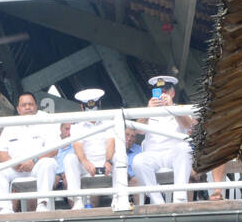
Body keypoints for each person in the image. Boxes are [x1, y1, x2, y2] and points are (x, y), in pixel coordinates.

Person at [131, 75, 194, 204]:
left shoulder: (180, 108)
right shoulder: (149, 110)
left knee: (184, 148)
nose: (163, 94)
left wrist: (172, 108)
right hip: (154, 155)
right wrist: (148, 111)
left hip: (174, 154)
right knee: (138, 160)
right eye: (160, 91)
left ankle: (179, 197)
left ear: (172, 92)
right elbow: (138, 130)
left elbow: (188, 125)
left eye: (166, 91)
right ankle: (157, 201)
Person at [0, 92, 57, 213]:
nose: (27, 107)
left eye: (30, 104)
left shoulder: (46, 123)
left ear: (36, 107)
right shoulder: (11, 125)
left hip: (37, 167)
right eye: (24, 105)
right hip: (16, 169)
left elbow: (53, 150)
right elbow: (1, 152)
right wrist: (13, 163)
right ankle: (5, 208)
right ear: (18, 109)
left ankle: (43, 204)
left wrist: (34, 161)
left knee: (48, 163)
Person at [63, 88, 125, 210]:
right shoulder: (77, 127)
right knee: (69, 158)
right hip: (85, 165)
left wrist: (108, 160)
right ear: (82, 107)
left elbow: (111, 143)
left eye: (94, 106)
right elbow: (77, 146)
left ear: (99, 105)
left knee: (120, 157)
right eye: (88, 107)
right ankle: (77, 200)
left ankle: (118, 198)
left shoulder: (109, 122)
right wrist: (85, 162)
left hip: (106, 163)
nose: (92, 111)